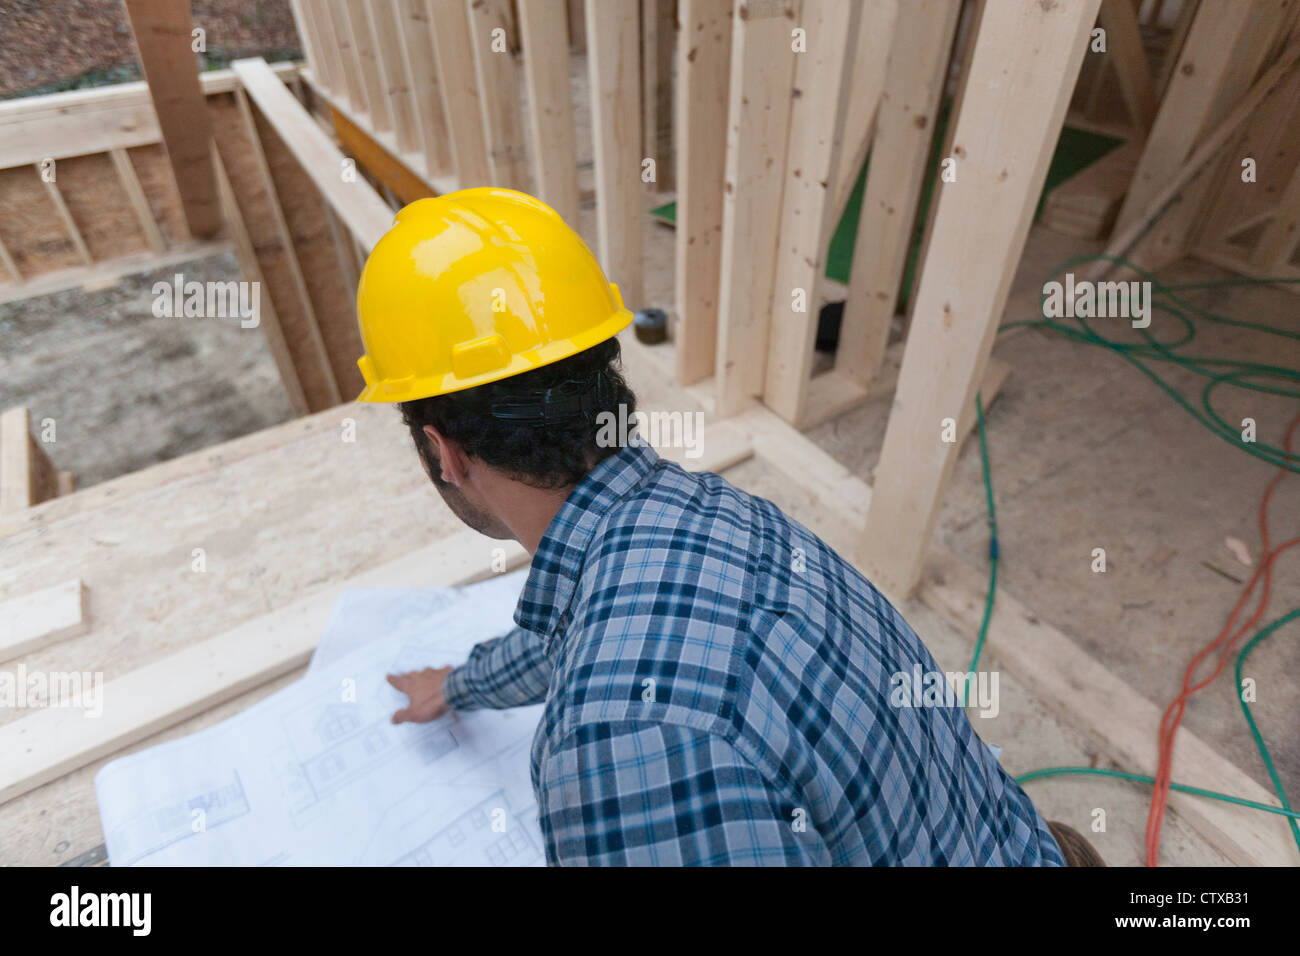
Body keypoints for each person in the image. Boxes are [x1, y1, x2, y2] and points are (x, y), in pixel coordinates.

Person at [361, 188, 1074, 866]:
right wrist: (461, 684)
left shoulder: (611, 746)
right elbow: (584, 637)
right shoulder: (717, 517)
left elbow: (626, 686)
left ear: (444, 452)